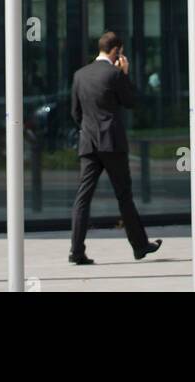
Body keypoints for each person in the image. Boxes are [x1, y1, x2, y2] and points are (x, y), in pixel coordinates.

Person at [69, 32, 161, 266]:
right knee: (124, 196)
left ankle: (76, 251)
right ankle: (140, 246)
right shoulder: (115, 74)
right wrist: (125, 73)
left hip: (89, 143)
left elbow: (75, 113)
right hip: (112, 143)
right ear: (116, 51)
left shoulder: (79, 75)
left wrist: (89, 130)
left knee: (83, 198)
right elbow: (131, 102)